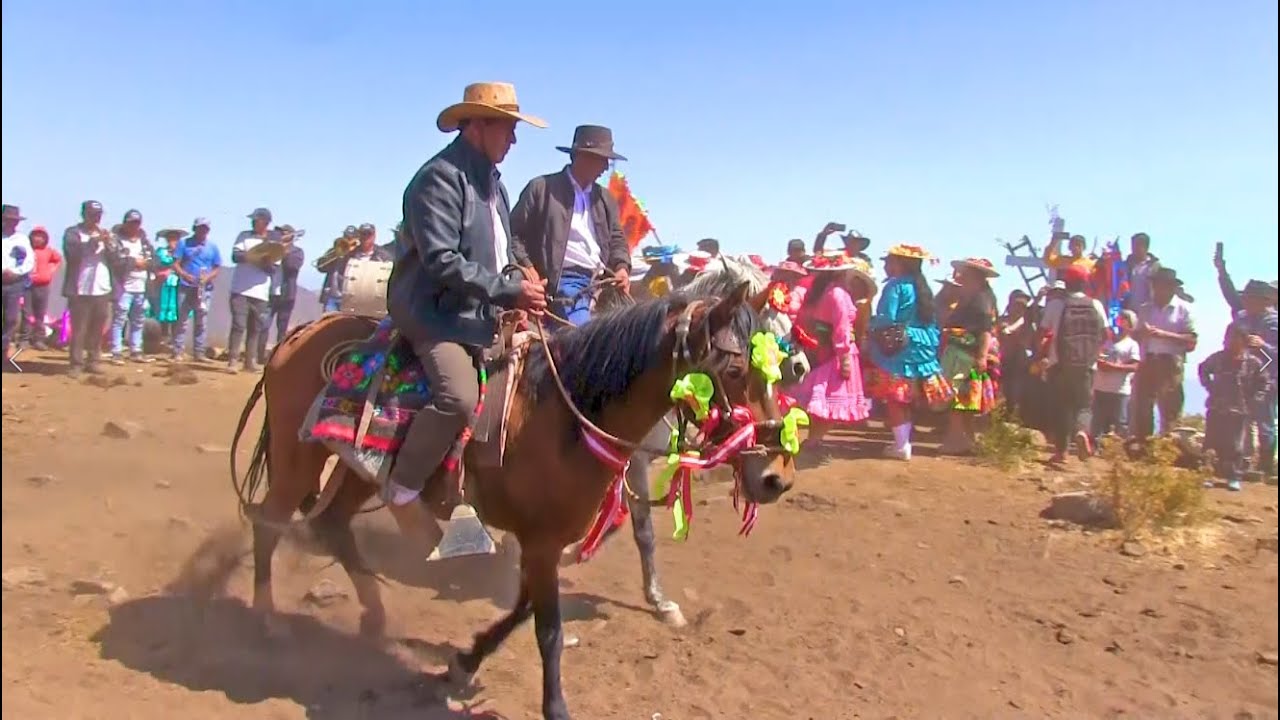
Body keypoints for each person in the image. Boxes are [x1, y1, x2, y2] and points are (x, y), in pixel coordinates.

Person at [383, 81, 548, 551]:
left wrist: (523, 279)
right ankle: (403, 488)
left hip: (478, 311)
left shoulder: (493, 184)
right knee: (458, 396)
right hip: (436, 315)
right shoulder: (439, 178)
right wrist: (510, 290)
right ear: (478, 126)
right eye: (508, 129)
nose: (514, 141)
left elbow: (498, 253)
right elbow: (442, 261)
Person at [509, 124, 631, 326]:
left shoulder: (605, 199)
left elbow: (617, 239)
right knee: (585, 339)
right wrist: (527, 266)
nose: (605, 167)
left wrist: (621, 267)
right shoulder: (541, 189)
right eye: (602, 160)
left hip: (603, 282)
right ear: (583, 157)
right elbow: (513, 234)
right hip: (564, 282)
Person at [865, 244, 950, 461]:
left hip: (898, 347)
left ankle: (902, 445)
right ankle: (902, 442)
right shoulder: (921, 287)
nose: (885, 265)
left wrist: (870, 327)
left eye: (888, 261)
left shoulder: (895, 286)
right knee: (905, 396)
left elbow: (887, 318)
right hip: (920, 345)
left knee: (895, 398)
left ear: (899, 264)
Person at [788, 252, 873, 448]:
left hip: (820, 347)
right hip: (836, 351)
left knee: (818, 398)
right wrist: (844, 356)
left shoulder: (818, 292)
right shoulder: (838, 294)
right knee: (828, 400)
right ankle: (814, 440)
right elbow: (842, 326)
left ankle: (813, 440)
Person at [1215, 245, 1278, 478]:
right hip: (1243, 376)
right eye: (1247, 298)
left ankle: (1266, 466)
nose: (1247, 302)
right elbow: (1231, 299)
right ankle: (1242, 462)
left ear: (1263, 301)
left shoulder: (1273, 322)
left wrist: (1264, 346)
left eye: (1251, 299)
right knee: (1242, 419)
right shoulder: (1242, 318)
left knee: (1265, 422)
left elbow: (1275, 355)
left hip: (1268, 376)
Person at [1037, 264, 1109, 465]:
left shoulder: (1055, 305)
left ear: (1066, 283)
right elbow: (1105, 335)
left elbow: (1042, 332)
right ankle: (1081, 431)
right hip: (1087, 366)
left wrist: (1041, 354)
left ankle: (1061, 453)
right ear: (1085, 283)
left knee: (1062, 408)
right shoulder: (1096, 305)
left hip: (1058, 364)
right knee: (1084, 406)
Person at [939, 258, 1002, 455]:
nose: (961, 277)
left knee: (959, 396)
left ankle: (957, 440)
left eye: (965, 274)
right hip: (962, 353)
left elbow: (985, 330)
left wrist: (982, 356)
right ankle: (966, 438)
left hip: (966, 354)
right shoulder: (975, 297)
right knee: (963, 397)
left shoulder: (981, 300)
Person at [1199, 324, 1272, 491]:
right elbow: (1203, 369)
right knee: (1211, 441)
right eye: (1229, 337)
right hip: (1217, 407)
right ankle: (1207, 475)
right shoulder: (1217, 358)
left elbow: (1264, 381)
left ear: (1244, 341)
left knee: (1235, 445)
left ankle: (1233, 476)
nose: (1231, 342)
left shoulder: (1253, 362)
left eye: (1236, 338)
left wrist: (1255, 399)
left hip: (1240, 409)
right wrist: (1210, 387)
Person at [1132, 267, 1198, 440]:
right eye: (1155, 285)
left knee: (1170, 408)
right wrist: (1141, 334)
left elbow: (1191, 340)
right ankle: (1143, 443)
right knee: (1143, 405)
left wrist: (1164, 335)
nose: (1157, 290)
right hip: (1148, 360)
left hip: (1170, 362)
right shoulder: (1146, 308)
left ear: (1170, 288)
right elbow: (1137, 335)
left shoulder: (1184, 310)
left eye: (1161, 286)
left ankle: (1168, 446)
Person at [61, 200, 115, 376]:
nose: (96, 218)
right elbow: (73, 253)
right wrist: (95, 240)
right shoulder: (73, 233)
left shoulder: (105, 234)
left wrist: (110, 244)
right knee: (79, 328)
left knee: (97, 327)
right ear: (84, 214)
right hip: (80, 287)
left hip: (101, 287)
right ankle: (76, 364)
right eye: (93, 214)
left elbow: (116, 259)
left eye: (99, 215)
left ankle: (93, 361)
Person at [227, 208, 280, 373]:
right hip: (240, 289)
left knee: (255, 328)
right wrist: (255, 257)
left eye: (256, 220)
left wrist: (263, 261)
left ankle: (250, 361)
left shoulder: (274, 241)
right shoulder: (244, 236)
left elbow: (273, 268)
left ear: (265, 222)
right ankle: (233, 361)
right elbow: (236, 256)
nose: (253, 223)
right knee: (238, 325)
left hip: (260, 292)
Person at [108, 209, 156, 364]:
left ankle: (136, 350)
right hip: (124, 286)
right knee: (119, 319)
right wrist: (133, 262)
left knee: (138, 320)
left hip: (141, 286)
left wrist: (146, 263)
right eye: (131, 223)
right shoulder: (116, 240)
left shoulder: (145, 242)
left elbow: (155, 261)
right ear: (125, 223)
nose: (134, 226)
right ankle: (116, 350)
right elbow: (114, 261)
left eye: (137, 223)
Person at [171, 218, 221, 362]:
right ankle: (177, 351)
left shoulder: (212, 247)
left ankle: (199, 353)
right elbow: (175, 264)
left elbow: (217, 268)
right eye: (200, 228)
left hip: (204, 289)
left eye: (205, 228)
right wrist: (185, 275)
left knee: (201, 321)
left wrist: (207, 278)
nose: (203, 231)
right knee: (182, 320)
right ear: (195, 228)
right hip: (185, 287)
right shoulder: (184, 243)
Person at [257, 224, 307, 364]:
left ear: (291, 235)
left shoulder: (297, 252)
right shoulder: (272, 250)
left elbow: (292, 267)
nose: (281, 235)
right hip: (270, 293)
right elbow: (265, 266)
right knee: (264, 325)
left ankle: (278, 358)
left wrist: (283, 250)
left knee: (282, 328)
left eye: (284, 233)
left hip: (287, 295)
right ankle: (260, 356)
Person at [1091, 309, 1142, 442]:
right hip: (1100, 386)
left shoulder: (1132, 345)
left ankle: (1117, 452)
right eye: (1120, 318)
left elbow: (1135, 366)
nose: (1121, 322)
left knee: (1119, 423)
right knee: (1096, 421)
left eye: (1125, 319)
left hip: (1119, 390)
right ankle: (1093, 447)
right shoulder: (1106, 342)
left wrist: (1113, 367)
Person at [2, 204, 34, 365]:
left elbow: (29, 261)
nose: (11, 223)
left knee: (10, 318)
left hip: (14, 283)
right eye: (8, 220)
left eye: (14, 221)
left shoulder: (21, 239)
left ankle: (3, 352)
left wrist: (16, 272)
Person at [20, 226, 61, 349]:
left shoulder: (49, 251)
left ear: (46, 239)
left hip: (43, 286)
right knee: (26, 313)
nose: (38, 239)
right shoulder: (26, 250)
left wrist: (51, 270)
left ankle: (38, 339)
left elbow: (57, 259)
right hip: (27, 285)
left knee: (40, 313)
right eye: (35, 236)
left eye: (41, 237)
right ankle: (24, 339)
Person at [998, 289, 1034, 421]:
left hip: (1020, 365)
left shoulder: (1028, 325)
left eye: (1023, 306)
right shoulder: (1001, 321)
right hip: (1001, 363)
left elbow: (1029, 343)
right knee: (1001, 393)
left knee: (1015, 393)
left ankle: (1013, 418)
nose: (1019, 308)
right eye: (1017, 304)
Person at [150, 229, 187, 343]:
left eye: (176, 238)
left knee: (178, 309)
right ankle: (163, 336)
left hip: (179, 284)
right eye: (171, 238)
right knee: (163, 308)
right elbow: (155, 265)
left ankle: (175, 338)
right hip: (164, 284)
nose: (173, 241)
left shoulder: (183, 252)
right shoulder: (161, 252)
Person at [1124, 232, 1160, 310]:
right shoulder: (1126, 265)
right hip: (1129, 312)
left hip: (1148, 311)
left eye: (1137, 246)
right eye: (1133, 246)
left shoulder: (1154, 267)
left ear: (1146, 247)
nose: (1134, 249)